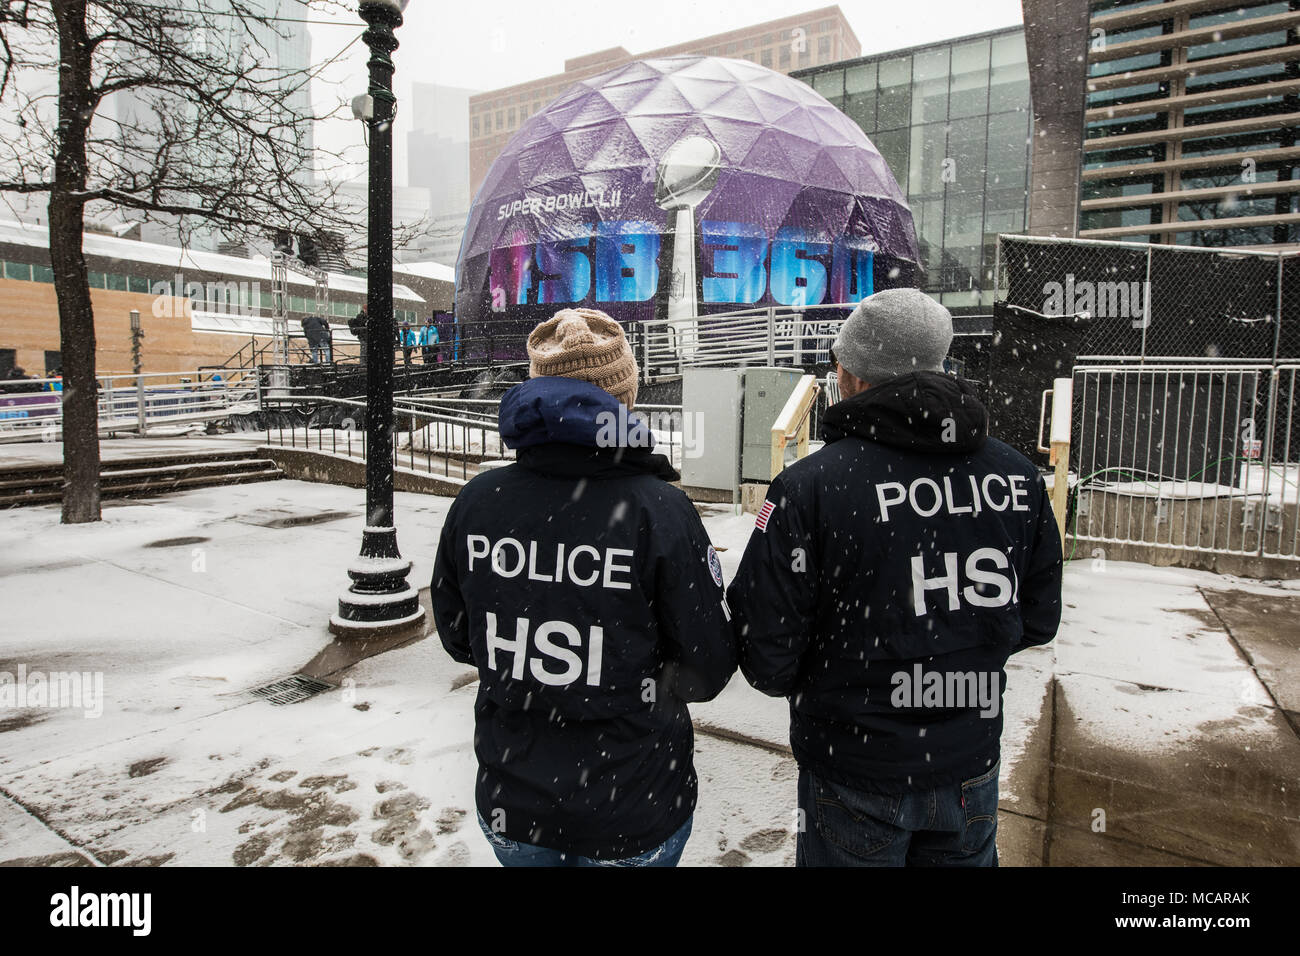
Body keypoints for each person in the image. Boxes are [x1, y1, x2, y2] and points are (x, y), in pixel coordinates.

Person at [726, 288, 1063, 868]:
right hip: (969, 762)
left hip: (854, 766)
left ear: (855, 376)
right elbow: (1037, 617)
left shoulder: (810, 487)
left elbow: (766, 649)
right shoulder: (1016, 474)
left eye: (839, 363)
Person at [431, 307, 736, 867]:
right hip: (631, 803)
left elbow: (458, 635)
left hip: (515, 800)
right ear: (624, 400)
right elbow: (706, 665)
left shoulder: (480, 499)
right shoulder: (658, 509)